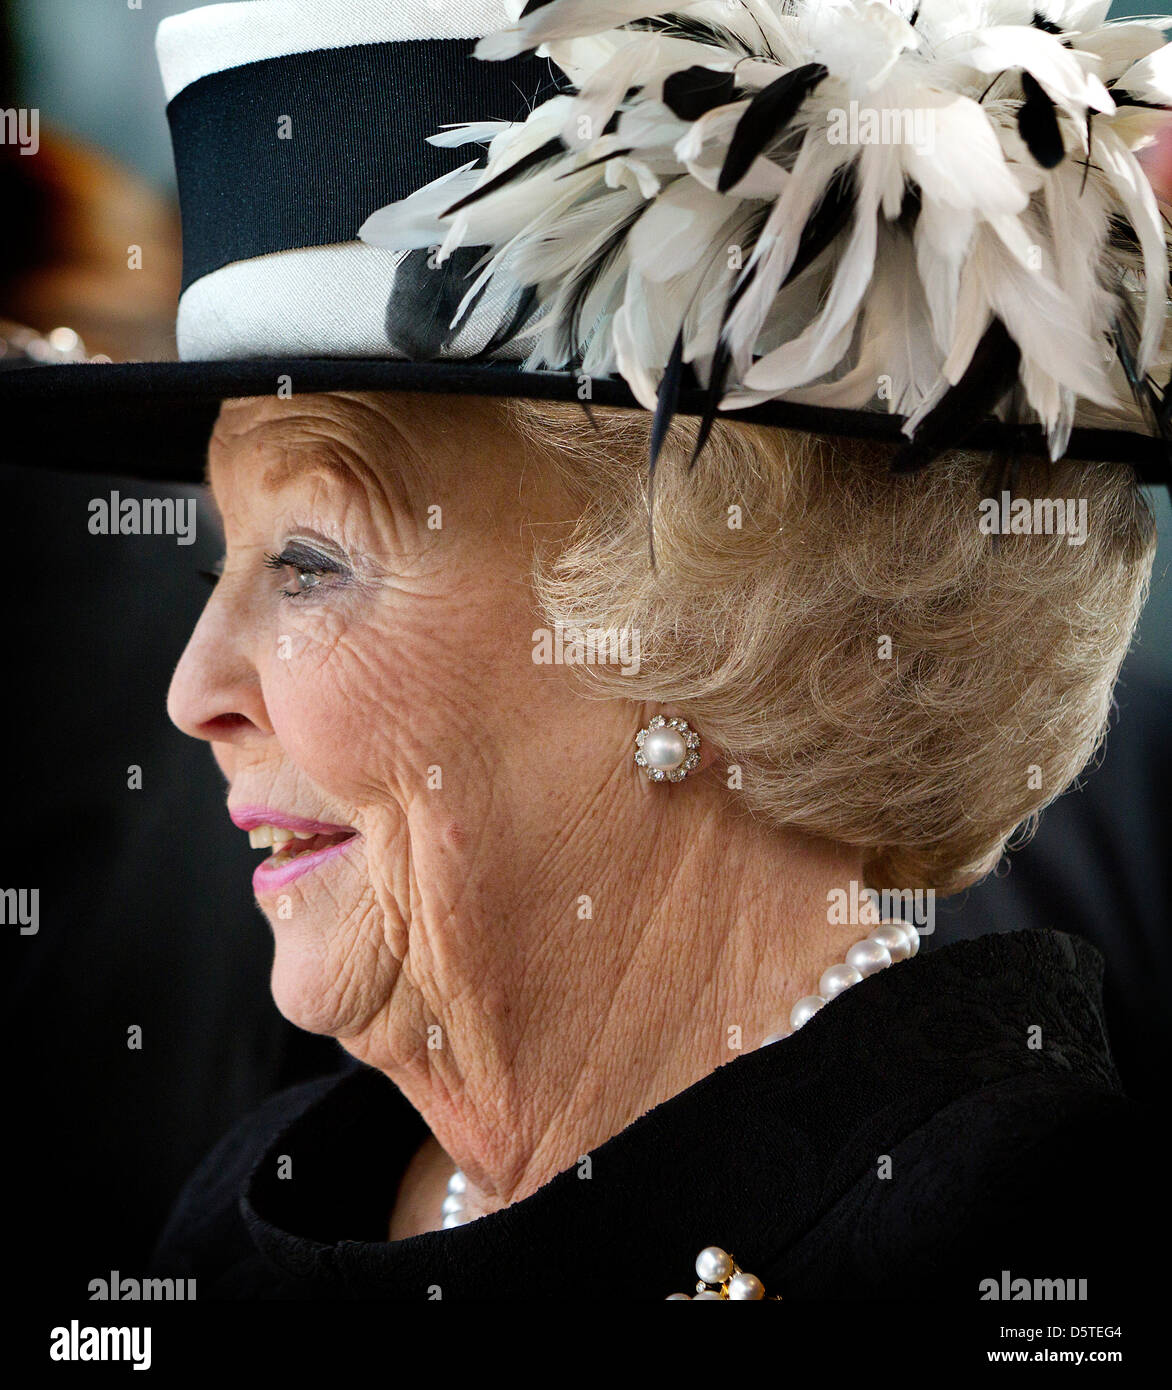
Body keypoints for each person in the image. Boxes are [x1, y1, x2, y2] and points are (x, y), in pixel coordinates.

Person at [3, 0, 1168, 1301]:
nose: (194, 692)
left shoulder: (1038, 1250)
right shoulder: (260, 1202)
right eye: (225, 562)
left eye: (311, 563)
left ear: (703, 620)